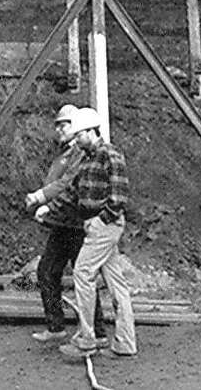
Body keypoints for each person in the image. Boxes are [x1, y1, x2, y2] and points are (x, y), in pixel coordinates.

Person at [53, 108, 137, 361]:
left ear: (91, 132)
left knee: (82, 272)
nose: (76, 140)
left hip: (104, 224)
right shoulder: (87, 159)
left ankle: (87, 339)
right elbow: (72, 193)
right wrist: (48, 209)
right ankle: (125, 343)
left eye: (79, 135)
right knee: (116, 282)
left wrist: (101, 220)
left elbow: (119, 195)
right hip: (97, 224)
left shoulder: (110, 155)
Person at [21, 104, 86, 344]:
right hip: (62, 222)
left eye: (64, 125)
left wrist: (42, 200)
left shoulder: (79, 154)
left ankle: (96, 331)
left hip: (76, 223)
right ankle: (56, 326)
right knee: (47, 272)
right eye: (57, 125)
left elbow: (67, 186)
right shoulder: (64, 154)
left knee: (82, 277)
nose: (59, 130)